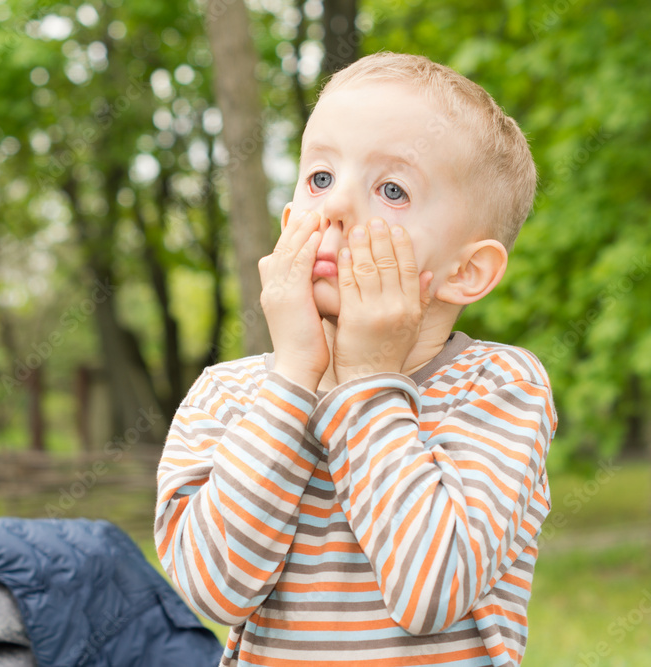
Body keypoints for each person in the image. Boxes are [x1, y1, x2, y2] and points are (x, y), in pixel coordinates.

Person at [154, 52, 557, 667]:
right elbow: (213, 590)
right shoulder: (226, 396)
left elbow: (431, 591)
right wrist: (293, 377)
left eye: (392, 189)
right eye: (320, 178)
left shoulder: (498, 388)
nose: (335, 207)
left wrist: (369, 379)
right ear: (291, 221)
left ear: (466, 272)